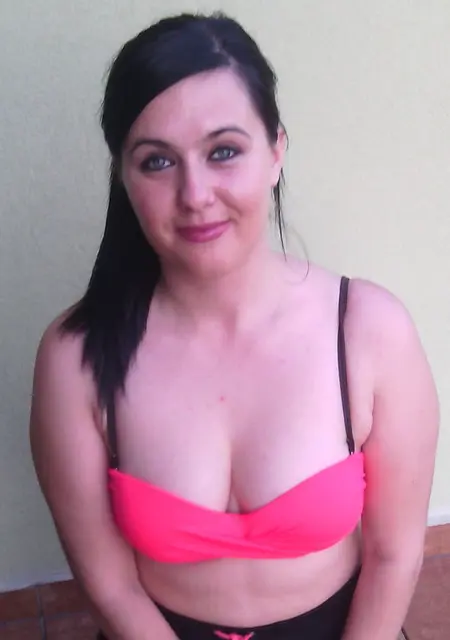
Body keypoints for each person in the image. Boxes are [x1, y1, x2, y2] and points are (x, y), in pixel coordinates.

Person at [29, 12, 439, 640]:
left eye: (223, 151)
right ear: (123, 177)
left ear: (276, 151)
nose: (195, 194)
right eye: (157, 162)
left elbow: (394, 554)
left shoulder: (369, 331)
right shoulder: (74, 358)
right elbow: (109, 584)